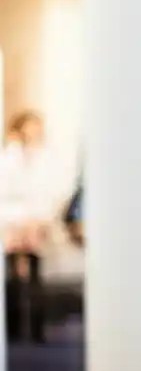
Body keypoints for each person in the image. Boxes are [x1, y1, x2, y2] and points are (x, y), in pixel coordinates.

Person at [0, 111, 64, 343]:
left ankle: (37, 330)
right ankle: (12, 329)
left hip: (37, 222)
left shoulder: (47, 157)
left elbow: (50, 192)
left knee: (35, 275)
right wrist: (16, 221)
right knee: (11, 275)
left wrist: (37, 221)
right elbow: (4, 192)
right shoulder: (9, 156)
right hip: (12, 222)